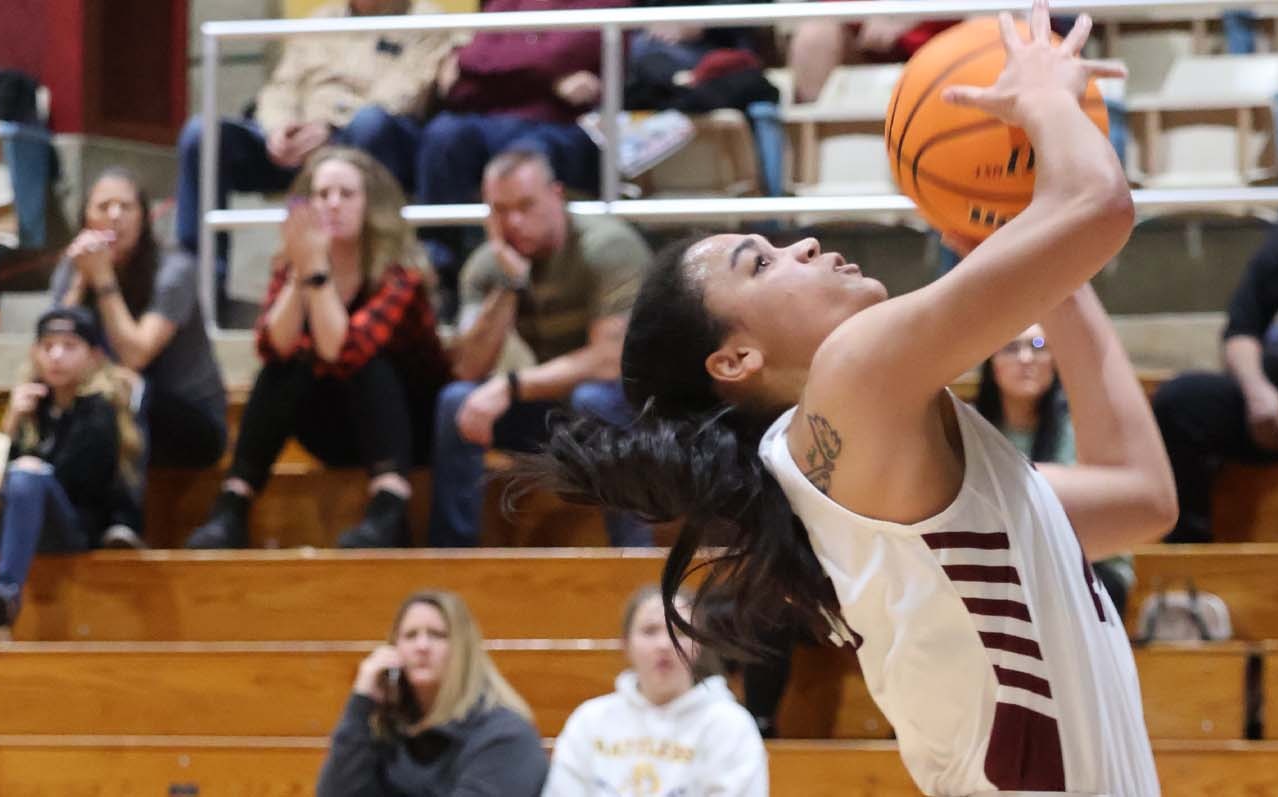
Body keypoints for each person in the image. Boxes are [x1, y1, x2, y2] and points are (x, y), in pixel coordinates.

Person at [524, 4, 1173, 794]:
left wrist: (1034, 246)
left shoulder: (879, 464)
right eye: (758, 264)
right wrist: (1042, 100)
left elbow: (1141, 497)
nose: (797, 244)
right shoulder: (855, 382)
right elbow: (1098, 207)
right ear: (735, 357)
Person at [186, 147, 449, 550]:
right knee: (283, 368)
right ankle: (232, 506)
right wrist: (299, 273)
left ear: (370, 205)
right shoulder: (293, 262)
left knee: (369, 364)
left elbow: (346, 351)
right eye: (322, 194)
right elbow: (271, 346)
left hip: (409, 429)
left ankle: (390, 507)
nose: (332, 204)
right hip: (338, 428)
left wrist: (316, 276)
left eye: (346, 194)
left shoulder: (402, 275)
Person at [429, 150, 651, 547]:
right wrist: (511, 285)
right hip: (559, 409)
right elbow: (467, 367)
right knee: (456, 401)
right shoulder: (488, 266)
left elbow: (609, 360)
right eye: (500, 210)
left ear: (557, 195)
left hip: (633, 405)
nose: (514, 222)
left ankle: (634, 555)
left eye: (526, 206)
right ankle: (452, 556)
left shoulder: (607, 247)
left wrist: (510, 385)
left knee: (593, 399)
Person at [176, 0, 457, 304]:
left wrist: (330, 128)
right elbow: (281, 87)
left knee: (370, 124)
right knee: (200, 134)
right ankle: (197, 291)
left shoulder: (428, 22)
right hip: (301, 141)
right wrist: (279, 130)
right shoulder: (321, 20)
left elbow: (407, 92)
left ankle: (360, 285)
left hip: (373, 141)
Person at [1153, 118, 1278, 543]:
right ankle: (1189, 560)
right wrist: (1258, 391)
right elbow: (1241, 328)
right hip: (1274, 408)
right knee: (1180, 401)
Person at [0, 309, 139, 641]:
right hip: (11, 522)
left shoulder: (102, 408)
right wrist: (10, 424)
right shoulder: (18, 401)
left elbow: (75, 483)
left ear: (94, 356)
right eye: (48, 345)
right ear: (34, 352)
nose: (56, 355)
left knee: (28, 476)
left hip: (69, 530)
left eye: (69, 346)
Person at [52, 167, 228, 548]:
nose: (114, 216)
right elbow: (54, 357)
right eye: (103, 206)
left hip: (189, 423)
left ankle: (125, 522)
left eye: (126, 206)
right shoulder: (72, 268)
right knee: (32, 400)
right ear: (86, 217)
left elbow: (135, 354)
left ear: (144, 218)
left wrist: (102, 281)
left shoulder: (175, 269)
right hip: (110, 414)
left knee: (126, 386)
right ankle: (58, 520)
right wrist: (80, 283)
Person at [414, 0, 628, 291]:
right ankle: (442, 268)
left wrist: (497, 73)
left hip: (563, 126)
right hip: (492, 116)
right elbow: (472, 59)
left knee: (524, 160)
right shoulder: (504, 2)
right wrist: (551, 81)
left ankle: (530, 275)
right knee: (442, 134)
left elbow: (556, 55)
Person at [316, 590, 548, 796]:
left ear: (463, 650)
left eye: (437, 635)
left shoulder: (505, 735)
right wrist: (361, 703)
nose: (422, 646)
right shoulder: (388, 730)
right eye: (410, 635)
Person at [543, 585, 768, 796]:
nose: (664, 644)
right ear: (626, 644)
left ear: (698, 643)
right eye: (650, 631)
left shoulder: (730, 724)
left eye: (679, 631)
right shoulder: (590, 720)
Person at [975, 325, 1134, 614]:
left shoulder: (1084, 429)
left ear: (1054, 359)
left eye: (1038, 345)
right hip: (1001, 567)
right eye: (1011, 348)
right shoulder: (968, 430)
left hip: (1087, 566)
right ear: (992, 363)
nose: (1026, 358)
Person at [786, 0, 954, 103]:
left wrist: (913, 9)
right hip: (861, 38)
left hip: (946, 38)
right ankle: (816, 140)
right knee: (815, 35)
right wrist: (878, 9)